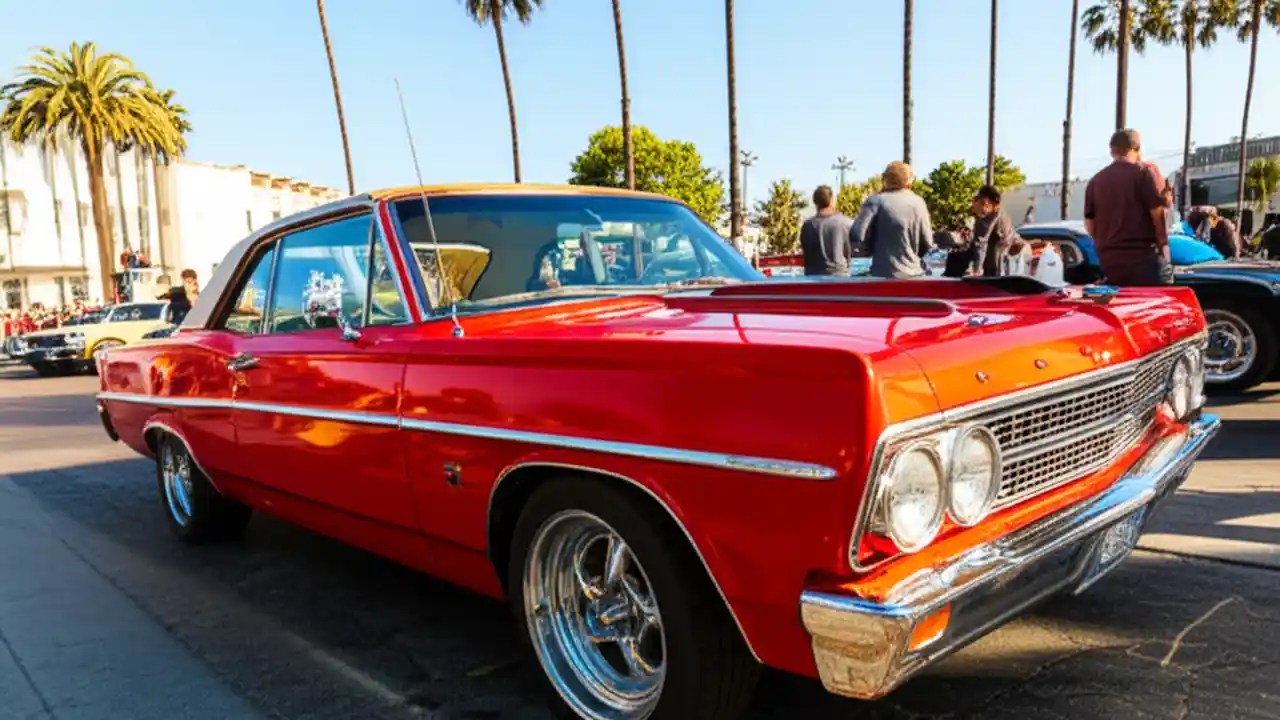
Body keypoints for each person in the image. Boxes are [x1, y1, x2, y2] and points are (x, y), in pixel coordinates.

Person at [1084, 129, 1171, 286]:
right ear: (1136, 150)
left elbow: (1090, 226)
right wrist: (1163, 245)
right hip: (1144, 259)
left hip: (1110, 264)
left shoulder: (1095, 182)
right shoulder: (1144, 173)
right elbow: (1158, 216)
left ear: (1112, 151)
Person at [851, 161, 934, 279]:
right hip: (914, 275)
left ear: (885, 179)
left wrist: (871, 247)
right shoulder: (919, 202)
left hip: (883, 274)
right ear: (908, 181)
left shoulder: (875, 201)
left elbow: (856, 234)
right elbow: (928, 243)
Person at [798, 185, 854, 276]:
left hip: (812, 278)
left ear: (815, 202)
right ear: (832, 200)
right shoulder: (846, 223)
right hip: (839, 276)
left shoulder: (807, 226)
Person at [969, 184, 1023, 277]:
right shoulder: (1002, 215)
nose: (974, 203)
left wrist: (976, 269)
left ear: (987, 202)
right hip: (1003, 269)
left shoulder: (989, 216)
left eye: (978, 200)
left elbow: (980, 242)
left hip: (993, 272)